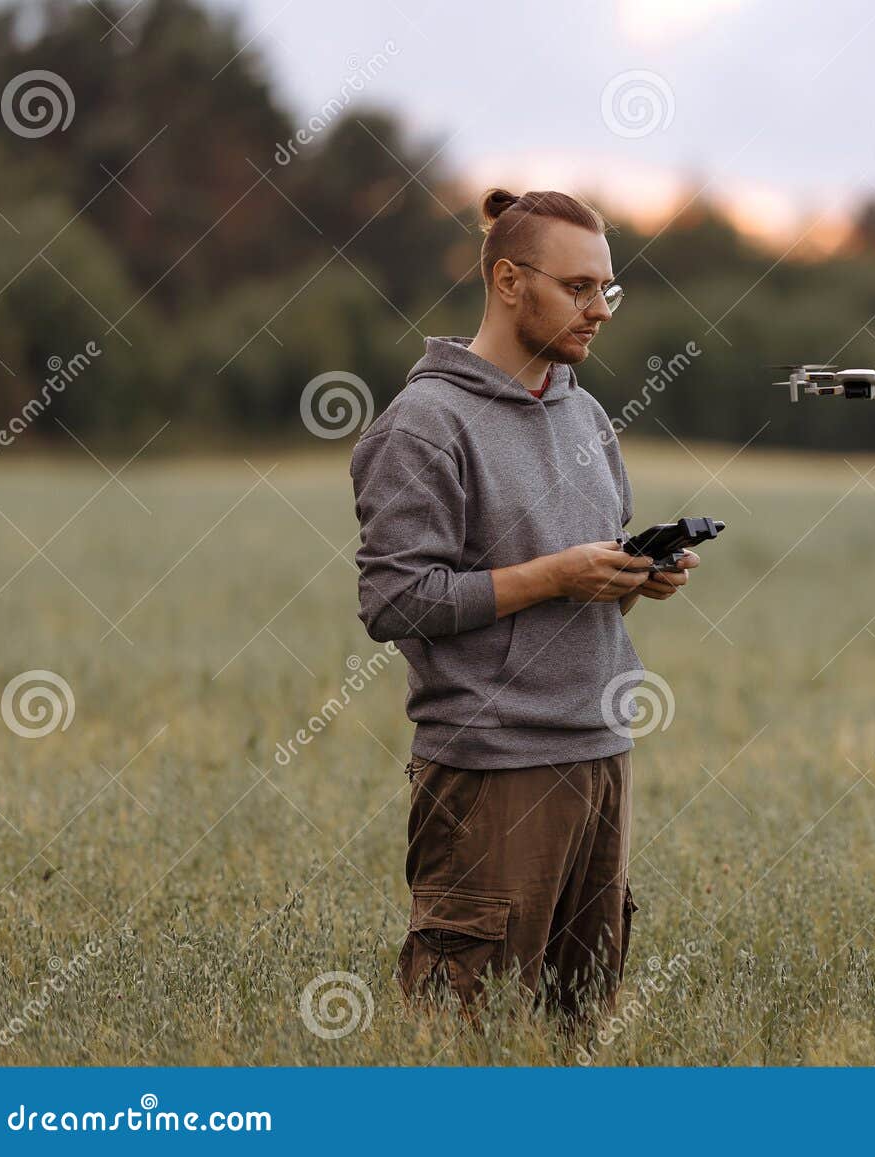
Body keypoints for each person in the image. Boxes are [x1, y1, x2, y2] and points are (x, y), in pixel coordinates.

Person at [348, 188, 697, 1023]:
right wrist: (555, 575)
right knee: (465, 1037)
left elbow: (575, 589)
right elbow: (393, 598)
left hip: (599, 751)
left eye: (607, 288)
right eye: (579, 288)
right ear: (508, 281)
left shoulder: (586, 414)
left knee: (580, 1033)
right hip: (491, 771)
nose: (600, 310)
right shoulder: (424, 426)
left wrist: (631, 579)